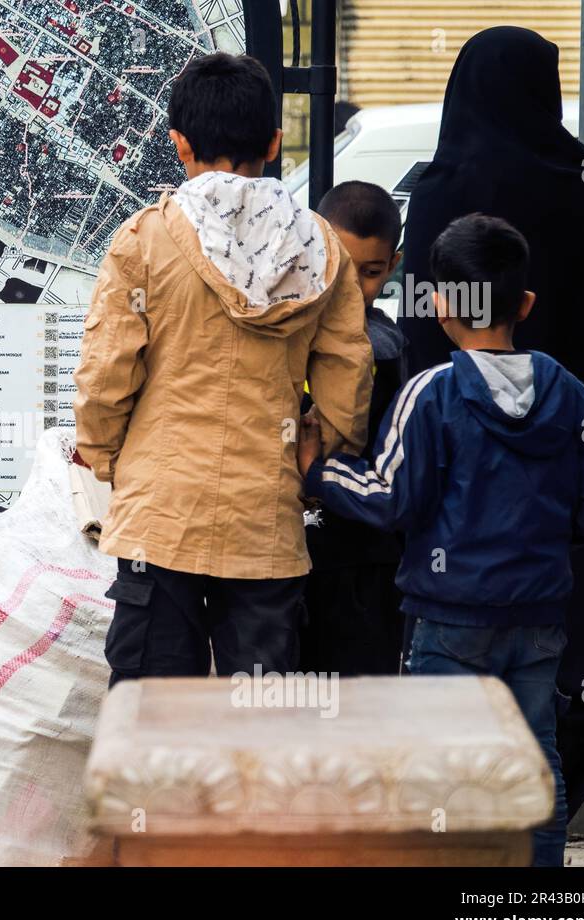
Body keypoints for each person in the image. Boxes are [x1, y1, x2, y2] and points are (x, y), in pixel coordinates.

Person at [299, 213, 584, 866]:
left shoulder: (432, 395)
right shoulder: (574, 397)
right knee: (534, 760)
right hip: (537, 618)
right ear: (524, 303)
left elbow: (388, 498)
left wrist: (317, 470)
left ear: (441, 305)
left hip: (448, 620)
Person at [398, 26, 584, 818]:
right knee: (548, 704)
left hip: (459, 524)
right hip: (563, 500)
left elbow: (419, 350)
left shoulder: (442, 188)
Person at [74, 52, 373, 687]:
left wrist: (106, 456)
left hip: (161, 515)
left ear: (179, 143)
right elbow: (349, 379)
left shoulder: (144, 240)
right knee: (258, 734)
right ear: (274, 141)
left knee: (152, 718)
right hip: (265, 522)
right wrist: (316, 451)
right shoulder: (324, 247)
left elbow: (106, 373)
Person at [299, 181, 408, 676]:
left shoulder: (389, 351)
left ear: (394, 265)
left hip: (365, 566)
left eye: (370, 272)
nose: (352, 285)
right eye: (339, 265)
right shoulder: (282, 333)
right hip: (288, 563)